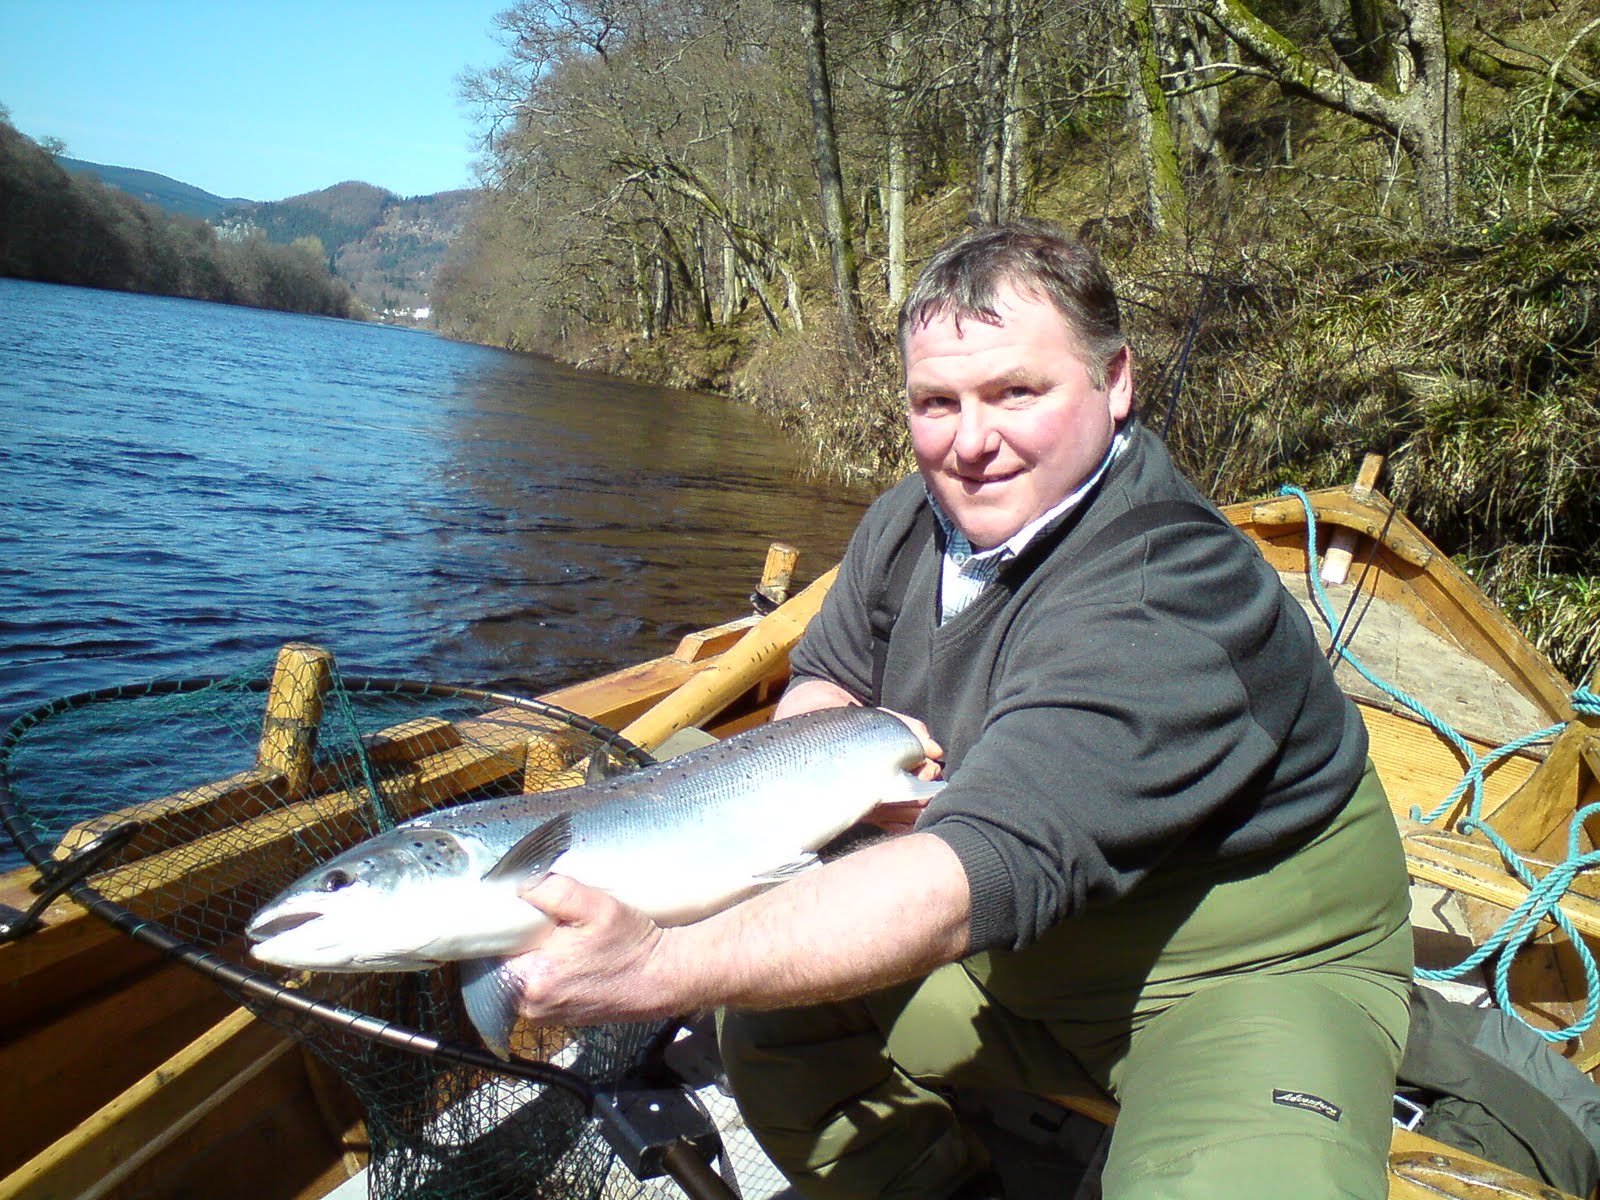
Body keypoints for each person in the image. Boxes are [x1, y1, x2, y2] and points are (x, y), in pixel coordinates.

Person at [509, 219, 1413, 1199]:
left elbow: (976, 873)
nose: (970, 441)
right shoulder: (910, 520)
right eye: (935, 402)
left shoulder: (1170, 595)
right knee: (763, 1025)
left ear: (1116, 384)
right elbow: (828, 677)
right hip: (1017, 955)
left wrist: (655, 965)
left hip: (1233, 975)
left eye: (1015, 392)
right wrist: (832, 778)